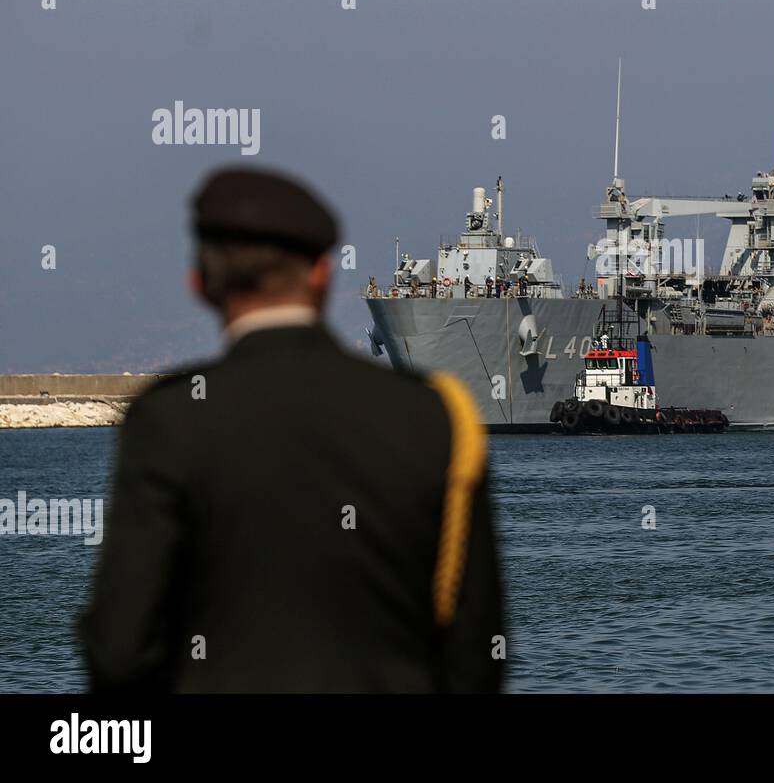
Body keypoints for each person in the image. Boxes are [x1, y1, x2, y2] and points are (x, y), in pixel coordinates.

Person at [79, 167, 505, 693]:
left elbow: (118, 649)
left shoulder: (166, 421)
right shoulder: (438, 418)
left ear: (201, 283)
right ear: (324, 273)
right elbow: (479, 651)